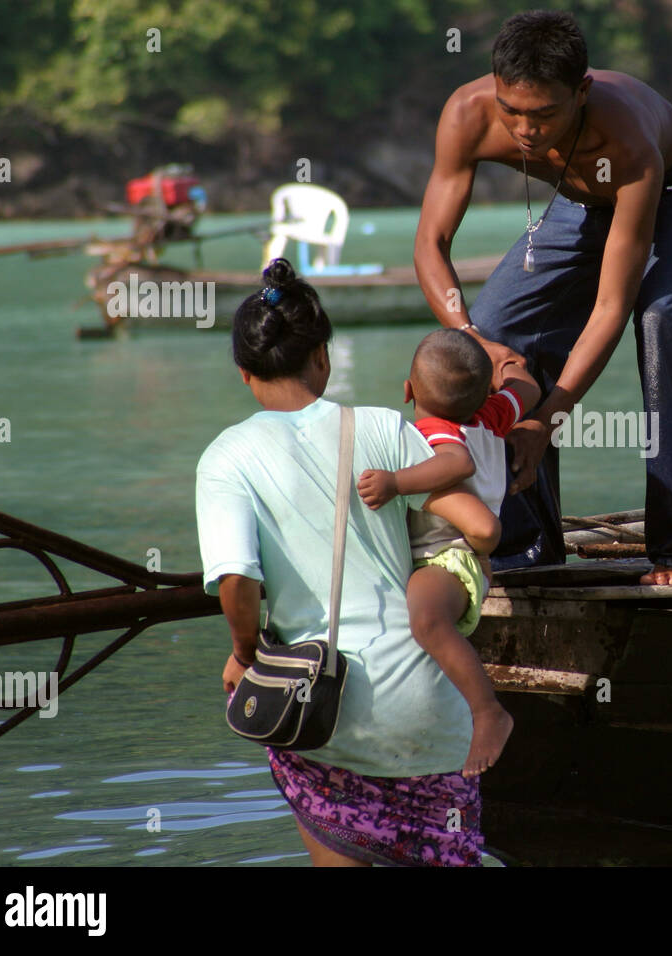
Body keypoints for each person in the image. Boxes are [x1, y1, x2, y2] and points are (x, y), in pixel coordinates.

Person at [414, 9, 672, 585]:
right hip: (583, 200)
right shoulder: (466, 115)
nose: (526, 131)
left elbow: (613, 304)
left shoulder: (627, 136)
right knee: (494, 326)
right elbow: (431, 244)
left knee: (662, 323)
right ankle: (526, 546)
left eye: (544, 115)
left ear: (582, 92)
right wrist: (472, 340)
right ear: (494, 88)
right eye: (512, 111)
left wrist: (548, 419)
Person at [195, 258, 497, 867]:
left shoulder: (226, 458)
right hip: (433, 716)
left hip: (331, 720)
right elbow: (473, 525)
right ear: (323, 358)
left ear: (244, 374)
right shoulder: (384, 427)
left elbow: (238, 581)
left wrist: (246, 650)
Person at [356, 328, 540, 777]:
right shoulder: (491, 416)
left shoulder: (433, 430)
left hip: (448, 556)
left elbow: (458, 464)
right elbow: (529, 390)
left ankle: (487, 711)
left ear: (407, 389)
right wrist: (509, 364)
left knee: (425, 619)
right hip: (458, 556)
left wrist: (395, 483)